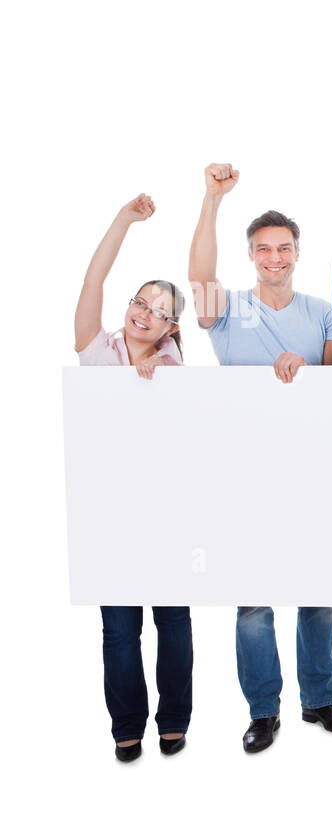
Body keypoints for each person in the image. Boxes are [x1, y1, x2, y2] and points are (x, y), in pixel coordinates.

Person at [189, 162, 332, 754]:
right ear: (253, 256)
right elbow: (198, 273)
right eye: (263, 250)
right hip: (247, 480)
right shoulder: (227, 310)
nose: (274, 258)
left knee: (318, 594)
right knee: (255, 602)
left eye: (283, 248)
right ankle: (264, 711)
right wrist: (212, 200)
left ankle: (320, 698)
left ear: (296, 252)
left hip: (314, 476)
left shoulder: (318, 311)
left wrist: (307, 370)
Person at [74, 193, 193, 762]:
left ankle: (174, 721)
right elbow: (92, 284)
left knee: (173, 623)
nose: (143, 313)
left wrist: (158, 372)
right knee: (119, 632)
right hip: (108, 520)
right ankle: (127, 726)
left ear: (171, 327)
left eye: (158, 310)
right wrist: (123, 220)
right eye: (139, 303)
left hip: (166, 519)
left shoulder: (175, 367)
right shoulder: (99, 353)